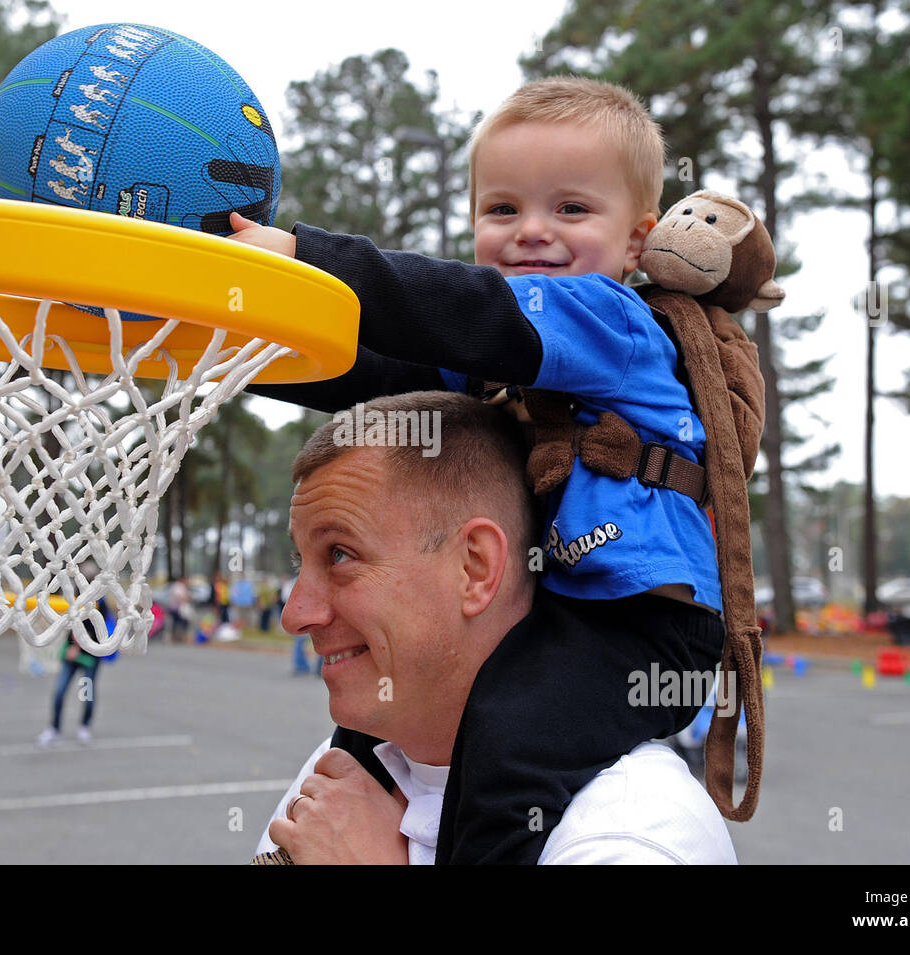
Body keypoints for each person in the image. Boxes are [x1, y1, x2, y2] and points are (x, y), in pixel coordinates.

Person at [236, 78, 735, 855]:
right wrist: (232, 335)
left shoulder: (615, 323)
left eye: (571, 209)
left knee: (510, 746)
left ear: (636, 242)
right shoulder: (507, 364)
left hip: (642, 625)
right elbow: (375, 371)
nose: (532, 231)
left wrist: (308, 259)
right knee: (371, 732)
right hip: (558, 606)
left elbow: (472, 311)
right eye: (503, 209)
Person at [254, 392, 736, 864]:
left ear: (475, 569)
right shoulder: (344, 773)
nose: (295, 615)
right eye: (301, 560)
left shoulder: (634, 835)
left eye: (340, 554)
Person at [36, 582, 111, 746]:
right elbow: (71, 623)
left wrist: (80, 644)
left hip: (89, 658)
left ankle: (84, 726)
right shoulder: (74, 598)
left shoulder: (101, 604)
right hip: (71, 656)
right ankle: (54, 729)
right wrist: (73, 646)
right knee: (59, 691)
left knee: (87, 694)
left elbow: (100, 630)